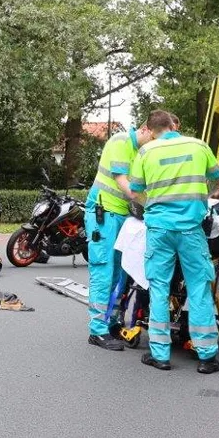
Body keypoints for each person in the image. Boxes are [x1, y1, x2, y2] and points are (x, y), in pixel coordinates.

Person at [129, 110, 219, 373]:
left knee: (159, 289)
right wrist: (202, 198)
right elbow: (217, 180)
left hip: (159, 229)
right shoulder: (198, 145)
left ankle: (160, 355)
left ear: (150, 129)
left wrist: (155, 205)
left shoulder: (146, 153)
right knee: (199, 288)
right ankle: (206, 356)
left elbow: (135, 192)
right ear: (174, 124)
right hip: (191, 229)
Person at [83, 120, 156, 351]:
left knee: (120, 272)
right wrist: (153, 204)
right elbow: (125, 185)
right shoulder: (121, 141)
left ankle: (111, 322)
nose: (157, 143)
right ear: (145, 129)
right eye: (155, 137)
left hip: (120, 217)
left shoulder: (140, 151)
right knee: (103, 270)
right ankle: (97, 330)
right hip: (103, 214)